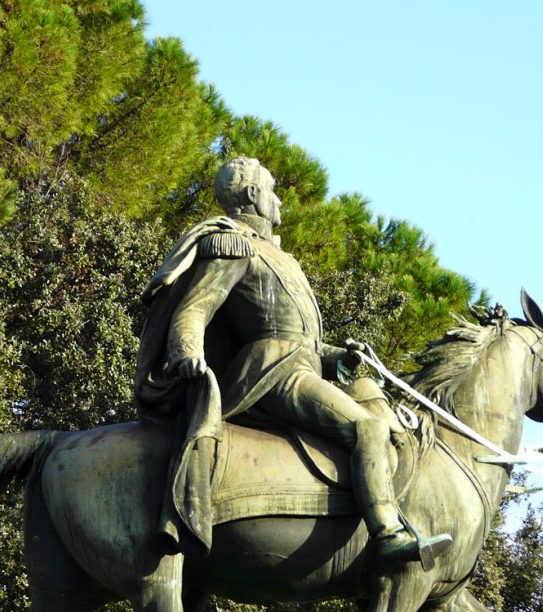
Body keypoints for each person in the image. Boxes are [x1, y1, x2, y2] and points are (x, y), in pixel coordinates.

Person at [135, 157, 420, 562]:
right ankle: (387, 531)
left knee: (373, 395)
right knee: (368, 428)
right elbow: (195, 309)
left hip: (302, 364)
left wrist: (339, 357)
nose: (280, 202)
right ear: (253, 195)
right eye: (273, 191)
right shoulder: (233, 244)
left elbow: (302, 338)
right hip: (273, 372)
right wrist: (188, 353)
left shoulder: (281, 257)